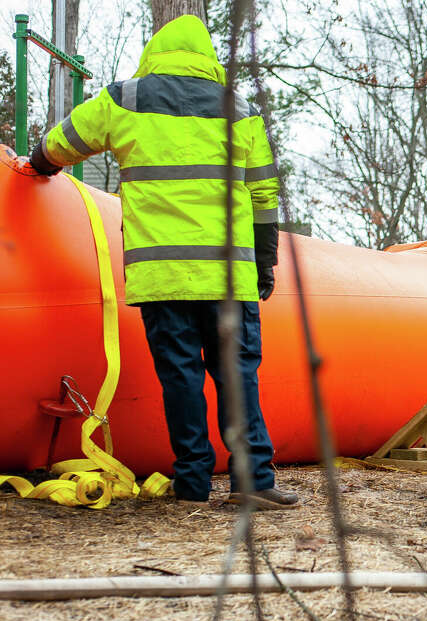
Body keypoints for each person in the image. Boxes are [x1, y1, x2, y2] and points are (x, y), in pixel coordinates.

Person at [29, 15, 298, 510]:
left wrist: (40, 162)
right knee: (237, 374)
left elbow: (61, 143)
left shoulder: (125, 99)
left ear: (155, 51)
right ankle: (253, 481)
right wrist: (264, 263)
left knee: (181, 376)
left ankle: (193, 485)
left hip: (163, 274)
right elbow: (263, 193)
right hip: (228, 275)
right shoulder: (239, 110)